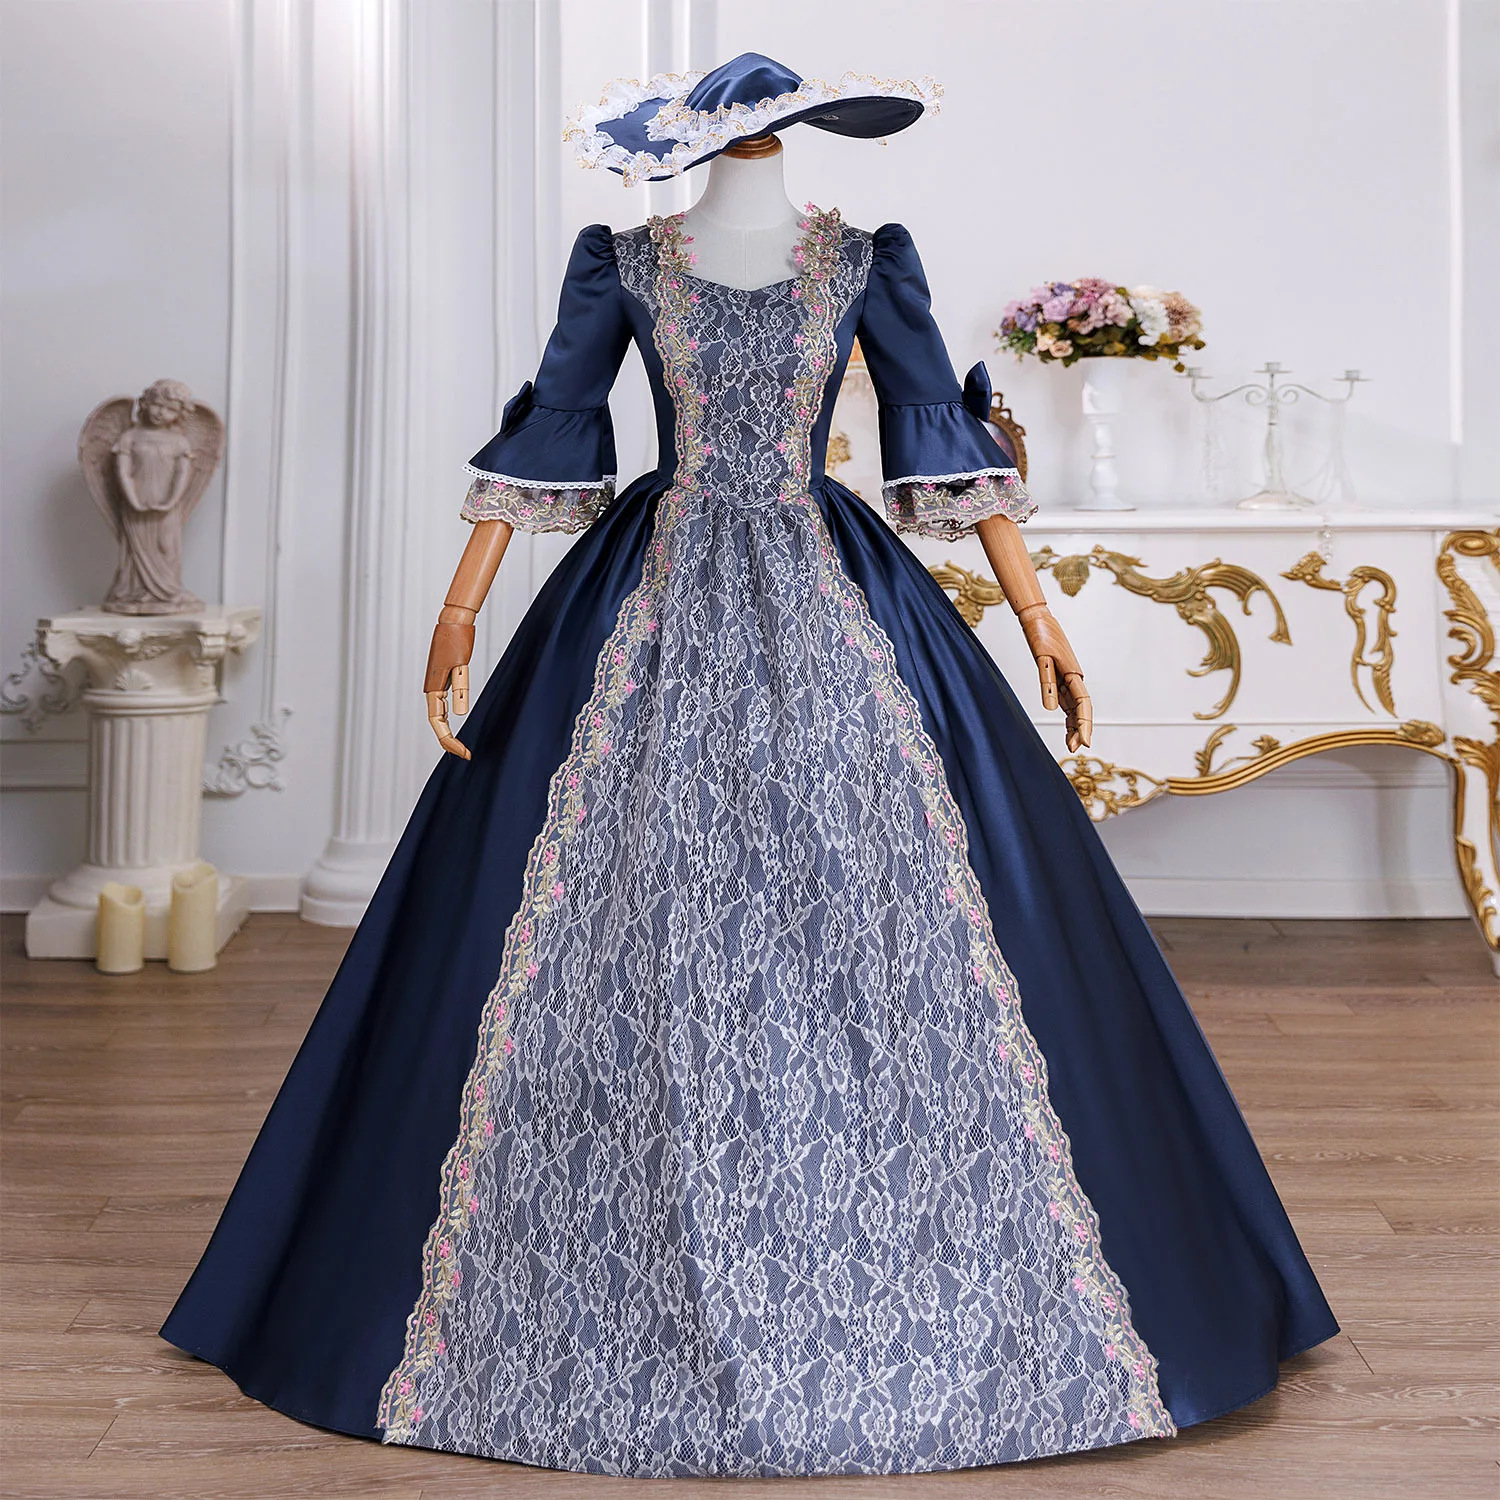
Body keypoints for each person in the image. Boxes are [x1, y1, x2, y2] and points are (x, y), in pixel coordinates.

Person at [163, 53, 1337, 1477]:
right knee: (605, 915)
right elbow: (556, 425)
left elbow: (934, 435)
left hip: (832, 588)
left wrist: (1038, 614)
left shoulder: (867, 260)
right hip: (645, 597)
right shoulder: (620, 263)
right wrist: (461, 607)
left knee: (897, 915)